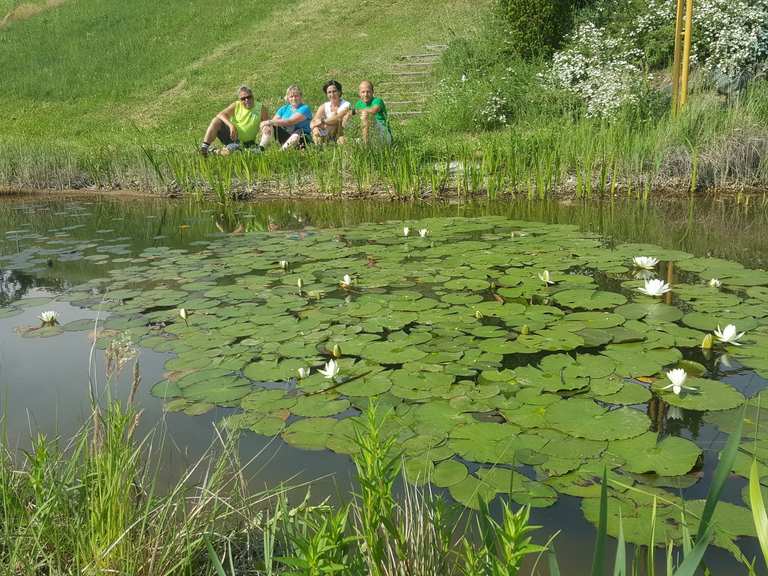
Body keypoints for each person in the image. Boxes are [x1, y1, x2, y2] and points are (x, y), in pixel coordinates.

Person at [200, 85, 268, 156]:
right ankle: (204, 148)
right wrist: (231, 125)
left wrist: (264, 129)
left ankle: (214, 151)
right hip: (231, 136)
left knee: (233, 152)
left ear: (253, 96)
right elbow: (221, 114)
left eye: (249, 97)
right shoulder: (236, 105)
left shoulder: (260, 108)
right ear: (240, 100)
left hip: (248, 143)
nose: (246, 100)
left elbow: (267, 125)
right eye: (243, 99)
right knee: (216, 121)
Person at [259, 85, 313, 150]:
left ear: (300, 96)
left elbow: (290, 122)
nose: (294, 99)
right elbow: (274, 121)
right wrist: (266, 125)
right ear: (288, 98)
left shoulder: (305, 108)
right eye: (291, 96)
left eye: (296, 96)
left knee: (298, 132)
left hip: (302, 138)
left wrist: (269, 121)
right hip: (286, 134)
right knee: (269, 126)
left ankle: (281, 152)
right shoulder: (284, 108)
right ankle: (261, 148)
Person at [310, 80, 352, 144]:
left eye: (334, 91)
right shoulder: (324, 106)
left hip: (339, 132)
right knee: (315, 129)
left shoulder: (346, 104)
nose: (332, 94)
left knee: (334, 116)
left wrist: (322, 122)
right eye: (329, 92)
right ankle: (319, 146)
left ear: (339, 92)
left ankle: (325, 141)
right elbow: (313, 123)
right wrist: (315, 127)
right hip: (325, 132)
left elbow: (337, 118)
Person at [353, 80, 392, 145]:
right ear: (359, 93)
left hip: (382, 134)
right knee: (342, 140)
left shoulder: (377, 101)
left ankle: (365, 146)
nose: (365, 94)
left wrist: (356, 111)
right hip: (369, 135)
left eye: (368, 92)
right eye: (363, 92)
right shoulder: (358, 104)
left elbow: (373, 111)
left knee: (365, 114)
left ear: (372, 92)